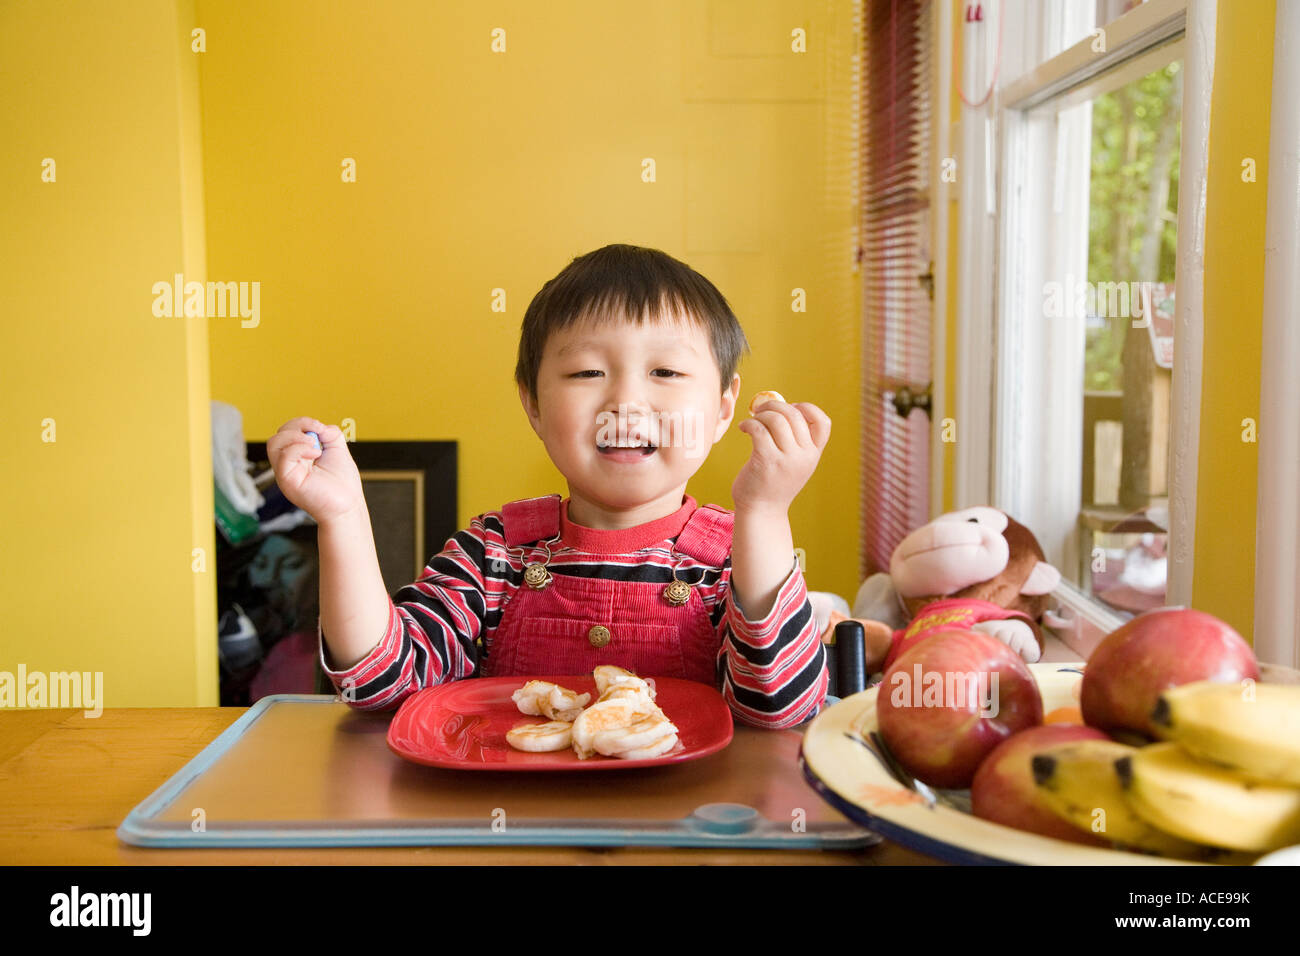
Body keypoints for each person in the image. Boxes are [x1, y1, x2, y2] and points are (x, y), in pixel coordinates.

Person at [267, 243, 832, 729]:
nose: (626, 402)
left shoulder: (740, 559)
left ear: (722, 408)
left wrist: (764, 512)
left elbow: (779, 707)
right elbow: (379, 684)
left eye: (665, 372)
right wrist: (342, 518)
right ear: (533, 404)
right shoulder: (491, 555)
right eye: (588, 372)